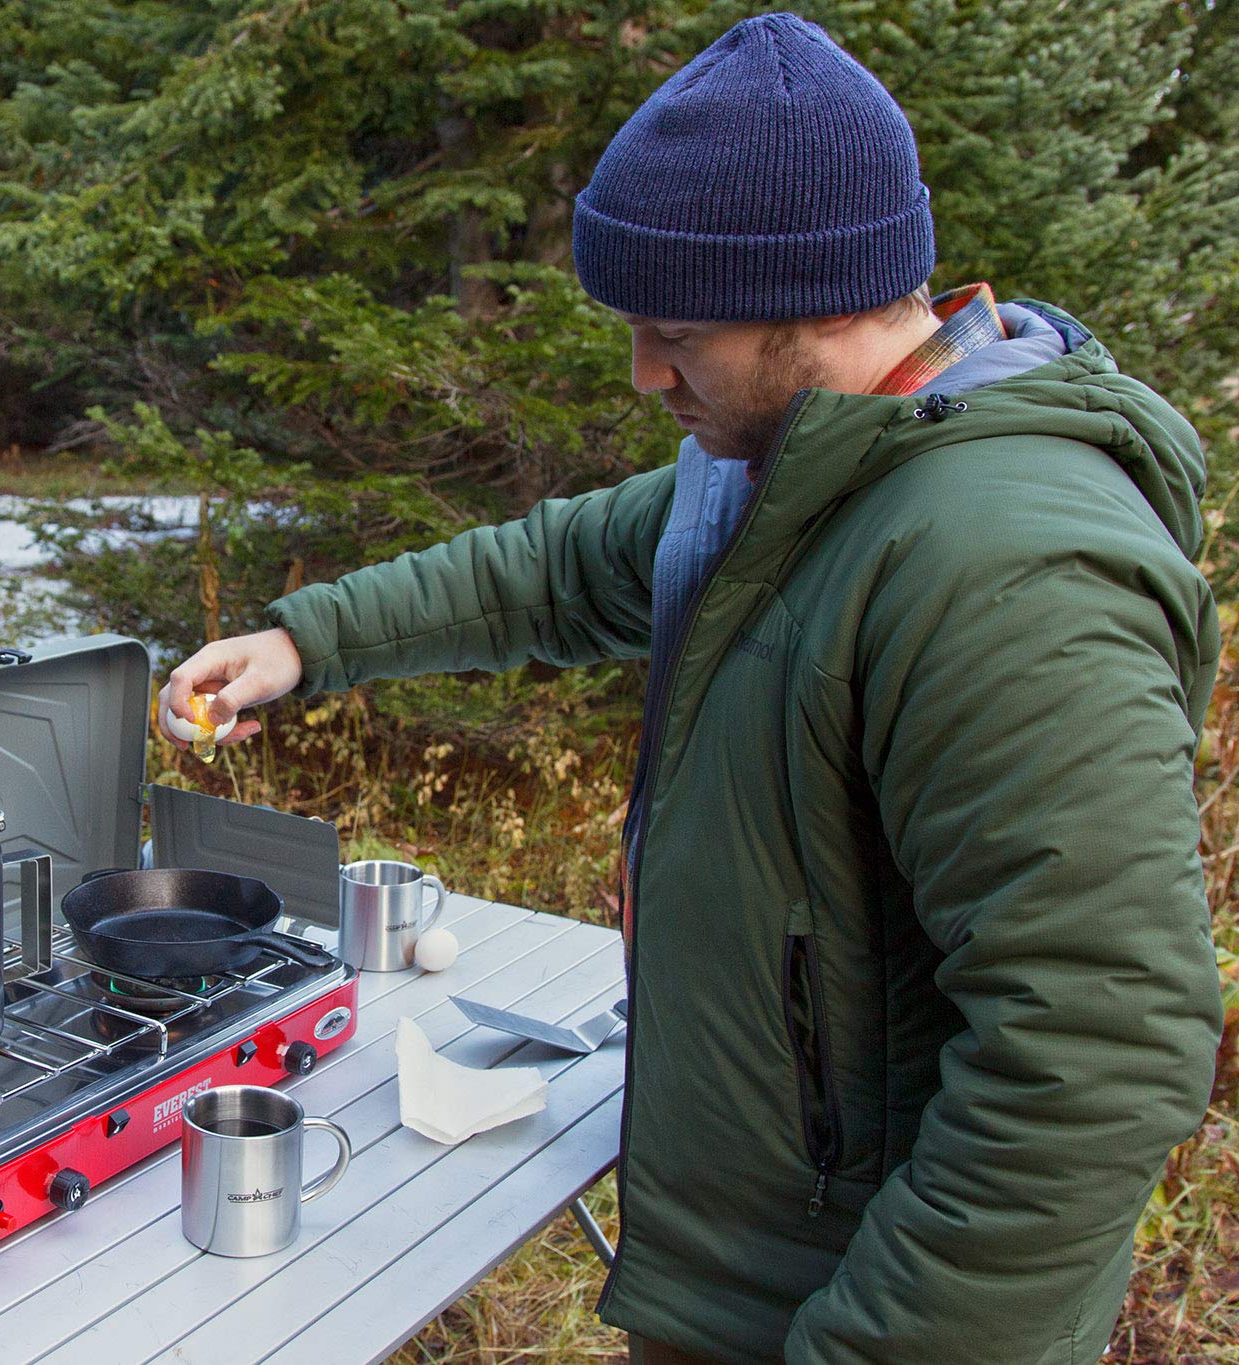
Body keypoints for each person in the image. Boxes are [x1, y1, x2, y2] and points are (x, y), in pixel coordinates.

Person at [159, 12, 1223, 1363]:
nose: (647, 373)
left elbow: (1097, 1052)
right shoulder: (786, 466)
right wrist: (308, 644)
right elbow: (557, 567)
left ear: (828, 295)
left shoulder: (1000, 562)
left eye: (680, 333)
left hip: (864, 1304)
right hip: (746, 1269)